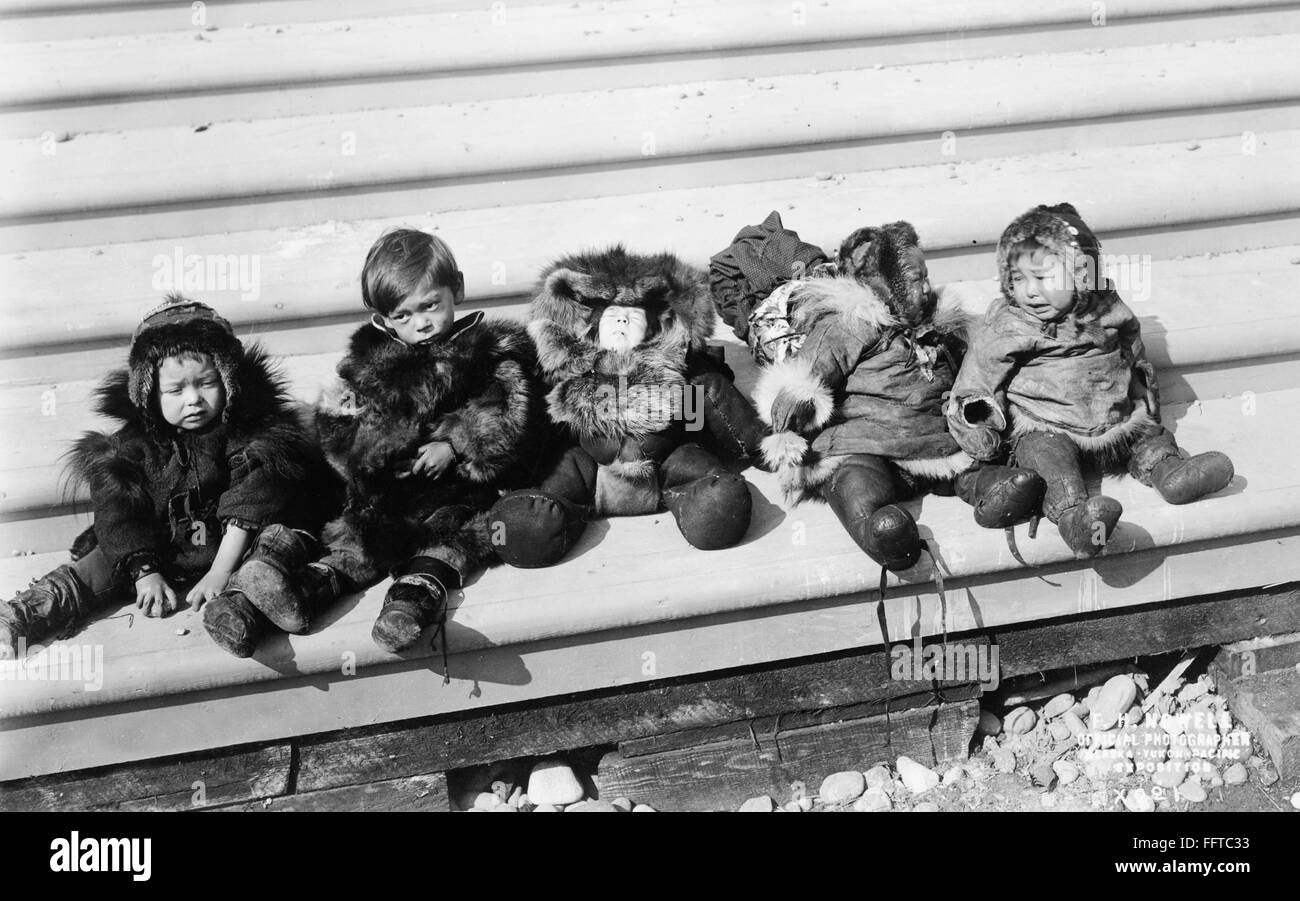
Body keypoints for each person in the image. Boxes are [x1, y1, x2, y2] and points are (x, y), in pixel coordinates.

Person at [233, 228, 542, 653]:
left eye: (431, 305)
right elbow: (337, 420)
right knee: (353, 545)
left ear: (458, 288)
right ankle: (270, 603)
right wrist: (374, 453)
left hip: (458, 491)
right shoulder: (372, 364)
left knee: (447, 541)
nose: (422, 323)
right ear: (383, 320)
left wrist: (454, 445)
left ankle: (409, 604)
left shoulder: (488, 353)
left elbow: (504, 414)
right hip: (390, 496)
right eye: (404, 316)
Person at [0, 296, 327, 659]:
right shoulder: (132, 449)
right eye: (175, 390)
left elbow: (250, 504)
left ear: (230, 378)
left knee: (276, 544)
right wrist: (144, 571)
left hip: (233, 548)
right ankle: (32, 610)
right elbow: (120, 515)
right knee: (101, 560)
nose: (193, 400)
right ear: (148, 392)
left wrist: (220, 573)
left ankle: (240, 610)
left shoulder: (252, 436)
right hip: (159, 547)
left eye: (207, 383)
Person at [755, 222, 1046, 578]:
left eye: (926, 276)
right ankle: (880, 531)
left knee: (969, 466)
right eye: (915, 278)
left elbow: (977, 358)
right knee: (853, 481)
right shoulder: (849, 326)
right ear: (881, 283)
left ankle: (994, 491)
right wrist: (787, 428)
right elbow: (807, 376)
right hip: (867, 444)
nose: (926, 287)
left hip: (931, 445)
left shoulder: (937, 322)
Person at [946, 203, 1234, 557]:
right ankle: (1073, 517)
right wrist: (980, 432)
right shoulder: (1009, 324)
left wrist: (1141, 388)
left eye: (1043, 277)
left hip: (1114, 420)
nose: (1030, 291)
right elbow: (976, 379)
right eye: (1018, 279)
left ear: (1080, 275)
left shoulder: (1104, 308)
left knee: (1148, 437)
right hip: (1047, 423)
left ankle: (1171, 474)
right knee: (1047, 458)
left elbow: (1130, 341)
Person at [488, 245, 768, 567]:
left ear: (652, 327)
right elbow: (538, 419)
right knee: (562, 470)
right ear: (591, 327)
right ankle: (543, 519)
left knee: (700, 468)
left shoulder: (675, 364)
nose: (622, 317)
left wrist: (756, 444)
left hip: (667, 461)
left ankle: (704, 500)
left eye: (633, 315)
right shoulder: (570, 367)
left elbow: (709, 399)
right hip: (592, 467)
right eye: (612, 314)